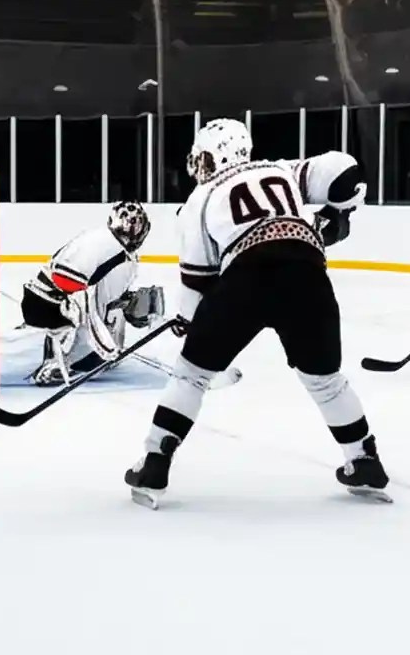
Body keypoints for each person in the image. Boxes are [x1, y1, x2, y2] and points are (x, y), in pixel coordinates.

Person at [123, 118, 389, 509]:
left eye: (203, 158)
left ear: (215, 155)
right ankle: (364, 461)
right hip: (308, 275)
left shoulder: (200, 198)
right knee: (326, 381)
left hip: (247, 277)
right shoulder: (281, 170)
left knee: (192, 375)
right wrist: (339, 213)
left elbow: (198, 278)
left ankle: (154, 464)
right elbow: (343, 170)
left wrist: (190, 322)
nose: (199, 167)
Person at [21, 201, 161, 386]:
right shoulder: (116, 253)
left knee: (99, 310)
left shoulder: (102, 238)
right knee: (99, 319)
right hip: (49, 307)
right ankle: (62, 364)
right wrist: (105, 347)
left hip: (39, 300)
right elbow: (87, 299)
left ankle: (61, 350)